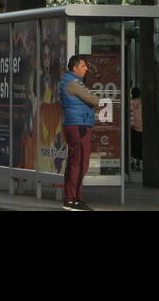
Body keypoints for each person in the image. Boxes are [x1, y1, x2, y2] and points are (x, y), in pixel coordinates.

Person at [59, 54, 100, 211]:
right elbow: (93, 100)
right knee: (79, 161)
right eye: (83, 66)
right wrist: (94, 100)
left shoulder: (71, 81)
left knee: (76, 161)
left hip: (77, 123)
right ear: (75, 68)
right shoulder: (73, 83)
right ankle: (73, 199)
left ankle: (73, 198)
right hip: (78, 124)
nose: (86, 69)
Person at [129, 86, 143, 170]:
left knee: (132, 145)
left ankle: (132, 161)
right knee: (139, 146)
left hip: (132, 127)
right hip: (141, 128)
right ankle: (138, 162)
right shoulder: (142, 103)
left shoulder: (130, 103)